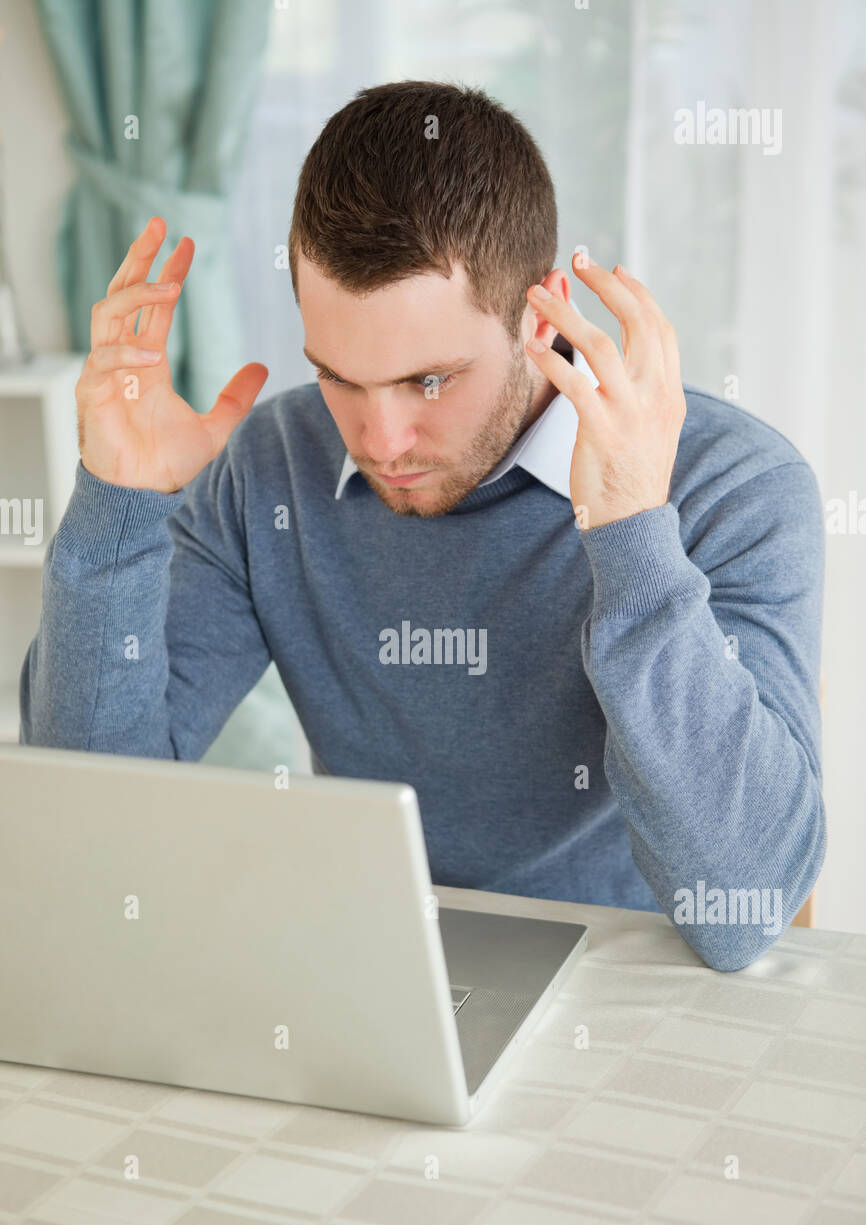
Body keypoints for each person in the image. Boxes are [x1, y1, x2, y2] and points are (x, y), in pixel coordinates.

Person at [19, 81, 825, 971]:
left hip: (634, 999)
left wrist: (632, 532)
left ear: (540, 312)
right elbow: (95, 830)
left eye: (429, 381)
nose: (380, 440)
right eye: (337, 376)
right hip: (380, 974)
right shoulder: (271, 465)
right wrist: (117, 508)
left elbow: (744, 912)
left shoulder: (736, 483)